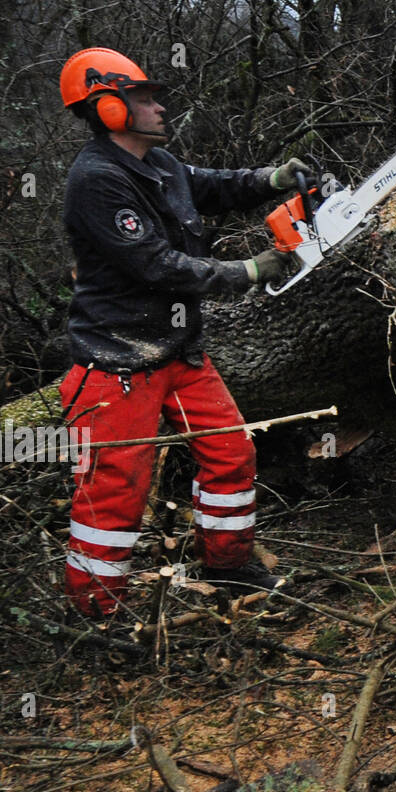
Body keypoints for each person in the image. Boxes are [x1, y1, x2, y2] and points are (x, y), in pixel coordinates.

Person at [57, 46, 307, 619]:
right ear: (109, 108)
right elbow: (155, 263)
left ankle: (225, 566)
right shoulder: (97, 180)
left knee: (230, 453)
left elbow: (213, 186)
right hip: (116, 361)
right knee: (113, 492)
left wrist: (272, 178)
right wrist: (246, 272)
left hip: (179, 352)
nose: (159, 106)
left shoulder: (160, 165)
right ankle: (94, 613)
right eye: (145, 98)